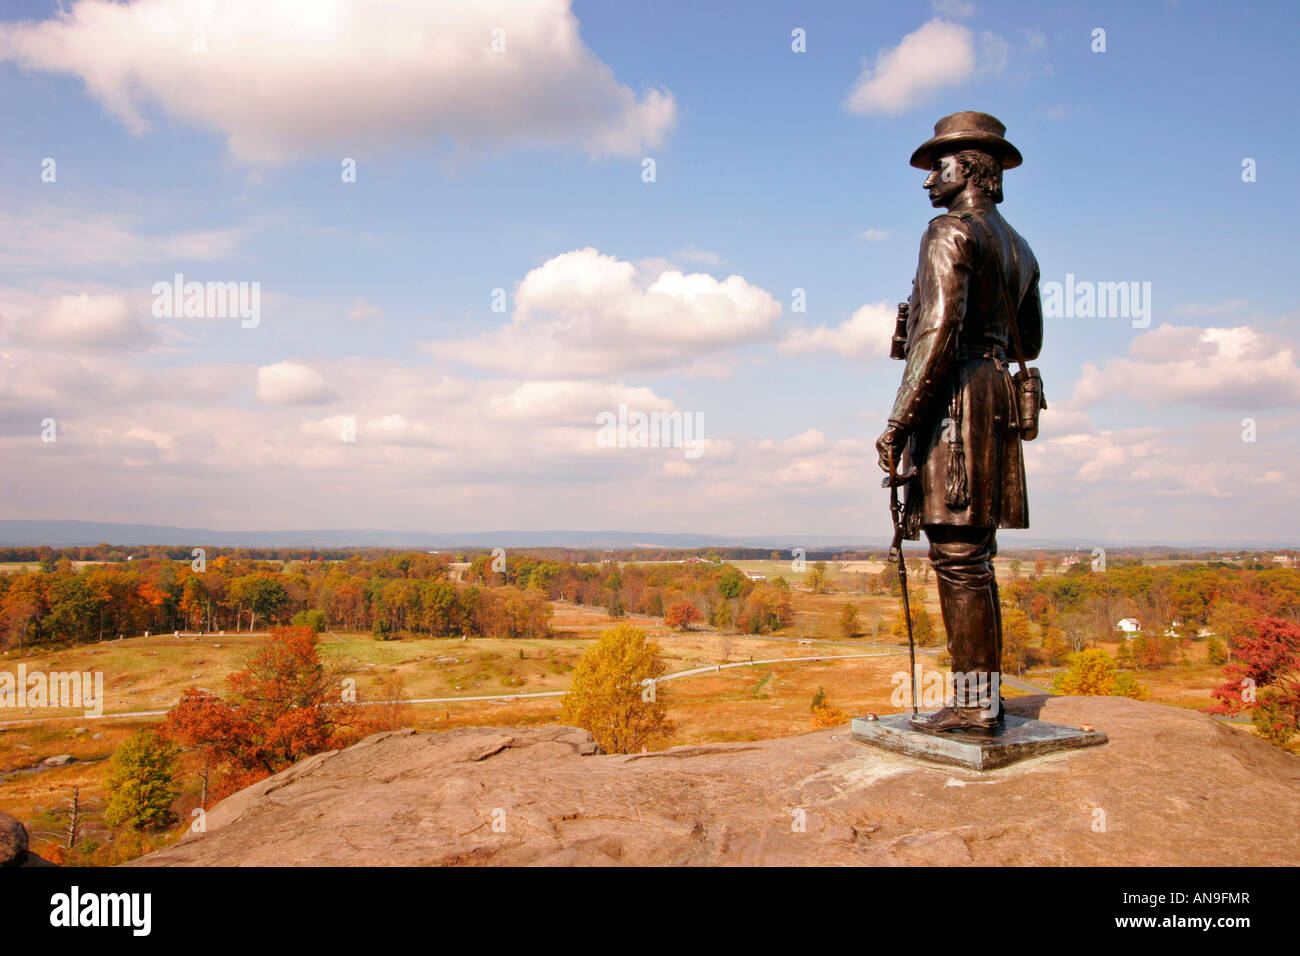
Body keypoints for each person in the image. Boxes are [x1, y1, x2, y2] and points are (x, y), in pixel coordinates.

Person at [875, 112, 1043, 734]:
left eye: (936, 168)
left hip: (956, 403)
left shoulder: (947, 231)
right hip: (994, 392)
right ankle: (981, 697)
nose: (926, 183)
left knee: (958, 557)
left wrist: (898, 420)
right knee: (975, 555)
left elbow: (939, 330)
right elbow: (1031, 338)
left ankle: (974, 703)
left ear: (972, 168)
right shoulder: (1020, 246)